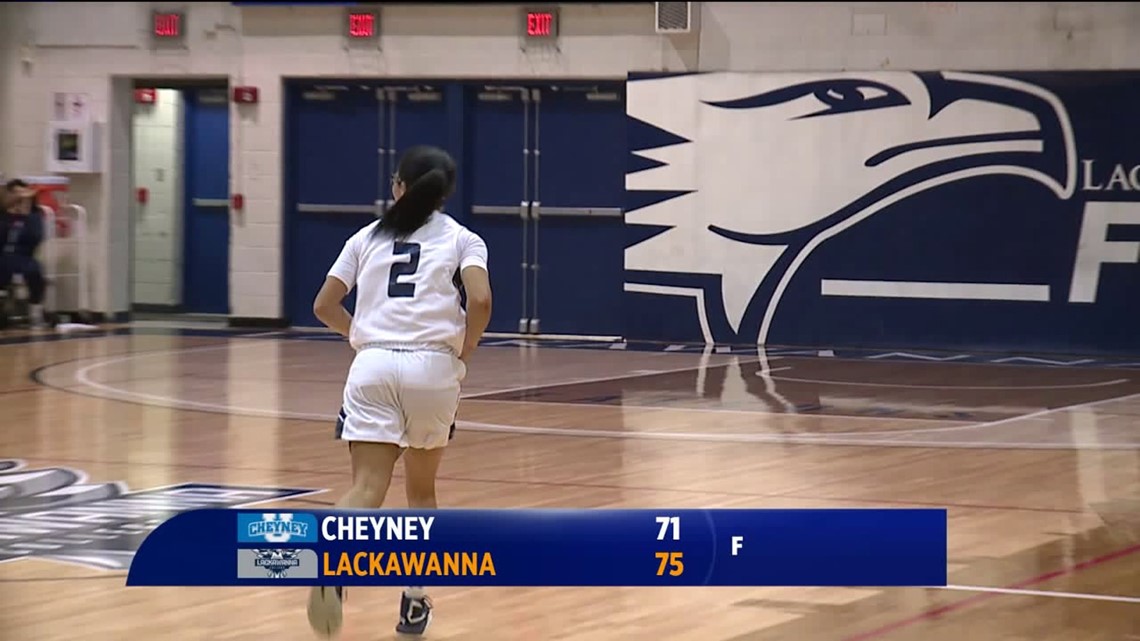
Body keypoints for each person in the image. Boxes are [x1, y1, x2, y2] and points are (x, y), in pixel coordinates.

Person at [307, 145, 492, 638]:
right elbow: (480, 298)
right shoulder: (463, 239)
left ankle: (331, 565)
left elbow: (324, 304)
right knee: (422, 492)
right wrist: (465, 350)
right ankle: (414, 601)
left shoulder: (365, 236)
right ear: (444, 193)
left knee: (367, 488)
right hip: (434, 367)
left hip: (373, 364)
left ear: (398, 187)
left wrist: (361, 338)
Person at [1, 179, 48, 328]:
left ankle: (35, 311)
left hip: (23, 256)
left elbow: (36, 238)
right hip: (3, 256)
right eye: (15, 194)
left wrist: (25, 215)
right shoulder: (3, 216)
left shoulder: (34, 216)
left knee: (34, 271)